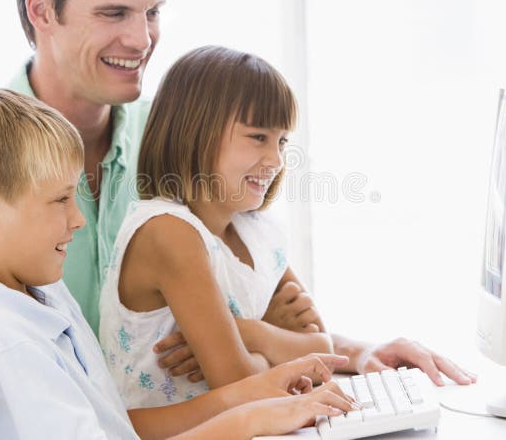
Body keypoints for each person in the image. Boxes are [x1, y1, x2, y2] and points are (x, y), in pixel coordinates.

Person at [0, 0, 472, 438]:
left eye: (152, 12)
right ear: (42, 10)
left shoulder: (169, 146)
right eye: (114, 14)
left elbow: (276, 300)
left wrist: (359, 355)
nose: (142, 39)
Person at [0, 86, 355, 439]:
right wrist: (248, 422)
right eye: (61, 200)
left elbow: (117, 427)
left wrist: (252, 396)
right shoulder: (11, 342)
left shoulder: (36, 294)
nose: (78, 219)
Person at [99, 46, 476, 410]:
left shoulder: (254, 230)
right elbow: (244, 386)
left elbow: (319, 343)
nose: (276, 159)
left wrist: (251, 335)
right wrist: (274, 350)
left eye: (281, 141)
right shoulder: (169, 232)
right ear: (194, 132)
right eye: (258, 137)